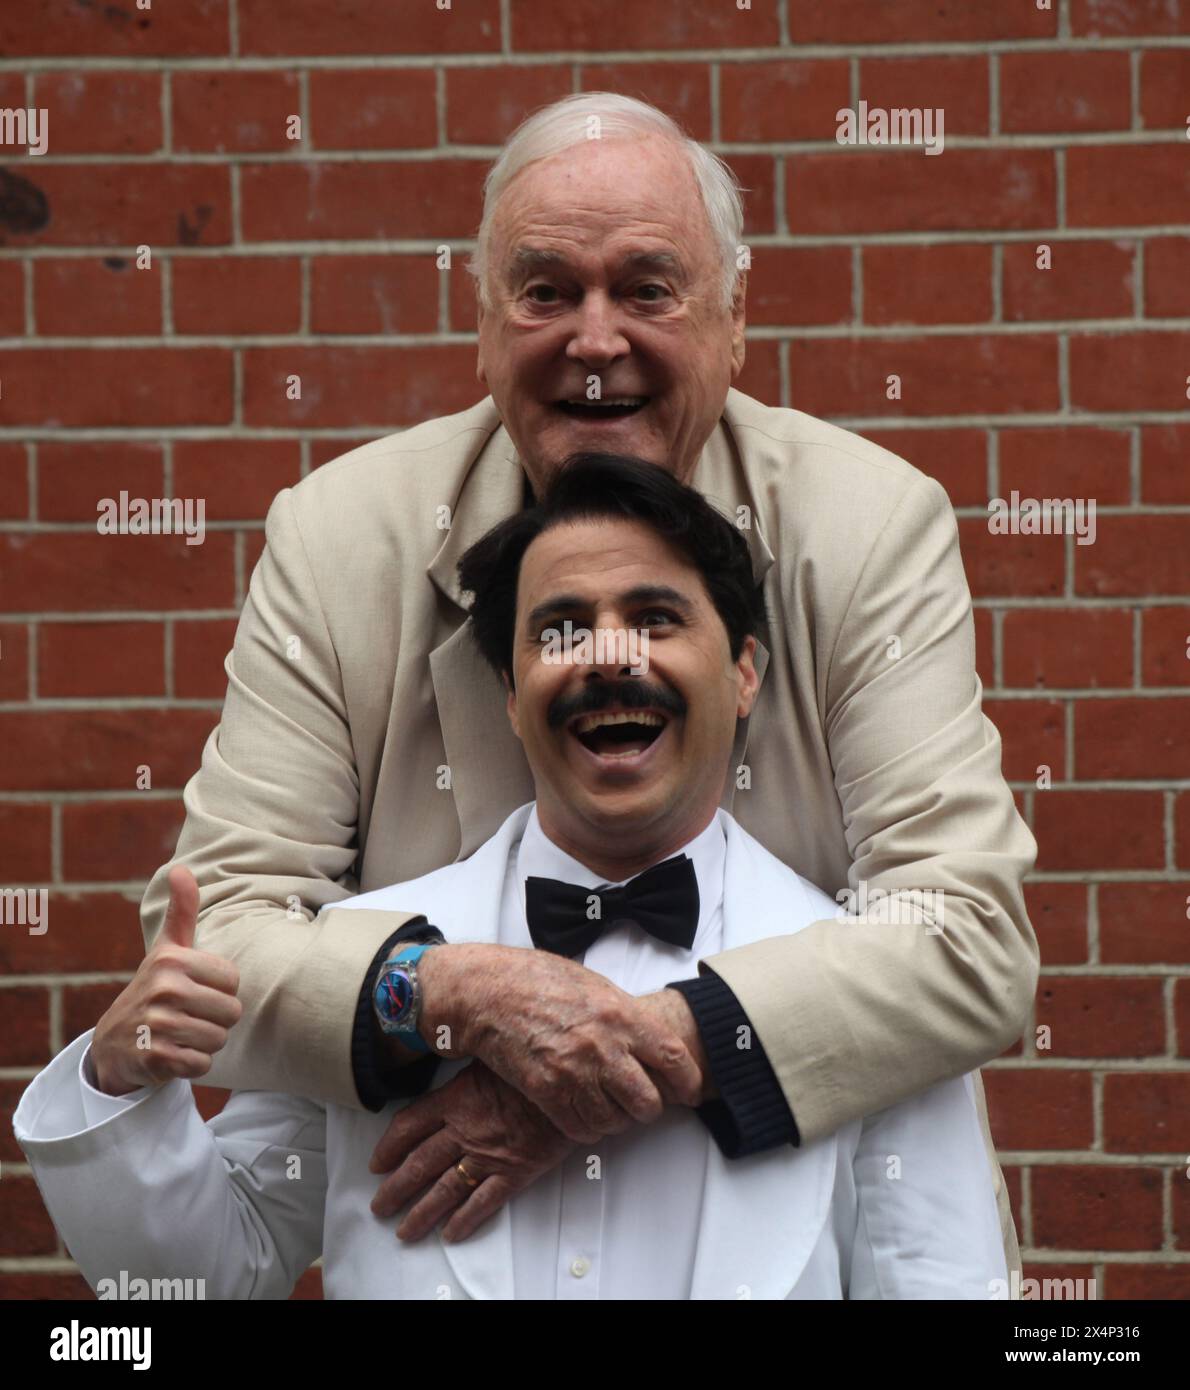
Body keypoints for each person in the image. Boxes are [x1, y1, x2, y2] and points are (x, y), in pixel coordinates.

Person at [127, 92, 1036, 1265]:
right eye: (544, 291)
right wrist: (449, 996)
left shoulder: (866, 526)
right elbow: (215, 942)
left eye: (646, 289)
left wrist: (617, 1059)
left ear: (734, 315)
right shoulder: (339, 538)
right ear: (483, 323)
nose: (593, 342)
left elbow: (963, 933)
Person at [16, 456, 1010, 1300]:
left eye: (656, 617)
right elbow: (213, 1269)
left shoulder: (877, 996)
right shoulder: (355, 964)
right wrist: (119, 1084)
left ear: (744, 671)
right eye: (561, 628)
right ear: (507, 691)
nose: (610, 658)